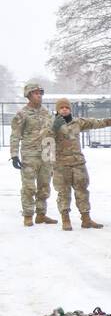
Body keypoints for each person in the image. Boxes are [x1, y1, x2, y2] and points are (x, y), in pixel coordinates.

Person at [51, 98, 111, 230]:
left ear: (70, 109)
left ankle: (86, 219)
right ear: (57, 110)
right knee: (63, 193)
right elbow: (43, 140)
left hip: (78, 163)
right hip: (61, 165)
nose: (64, 109)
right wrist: (53, 128)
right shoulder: (51, 123)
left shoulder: (77, 122)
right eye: (61, 108)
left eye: (66, 107)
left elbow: (100, 122)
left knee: (82, 191)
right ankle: (65, 220)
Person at [9, 81, 56, 227]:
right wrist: (14, 154)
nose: (39, 95)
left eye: (40, 93)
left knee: (44, 185)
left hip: (47, 153)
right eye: (36, 93)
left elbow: (52, 132)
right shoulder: (22, 114)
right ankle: (28, 215)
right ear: (29, 95)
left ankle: (41, 215)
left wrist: (53, 155)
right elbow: (15, 135)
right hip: (30, 154)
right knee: (29, 186)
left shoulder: (47, 112)